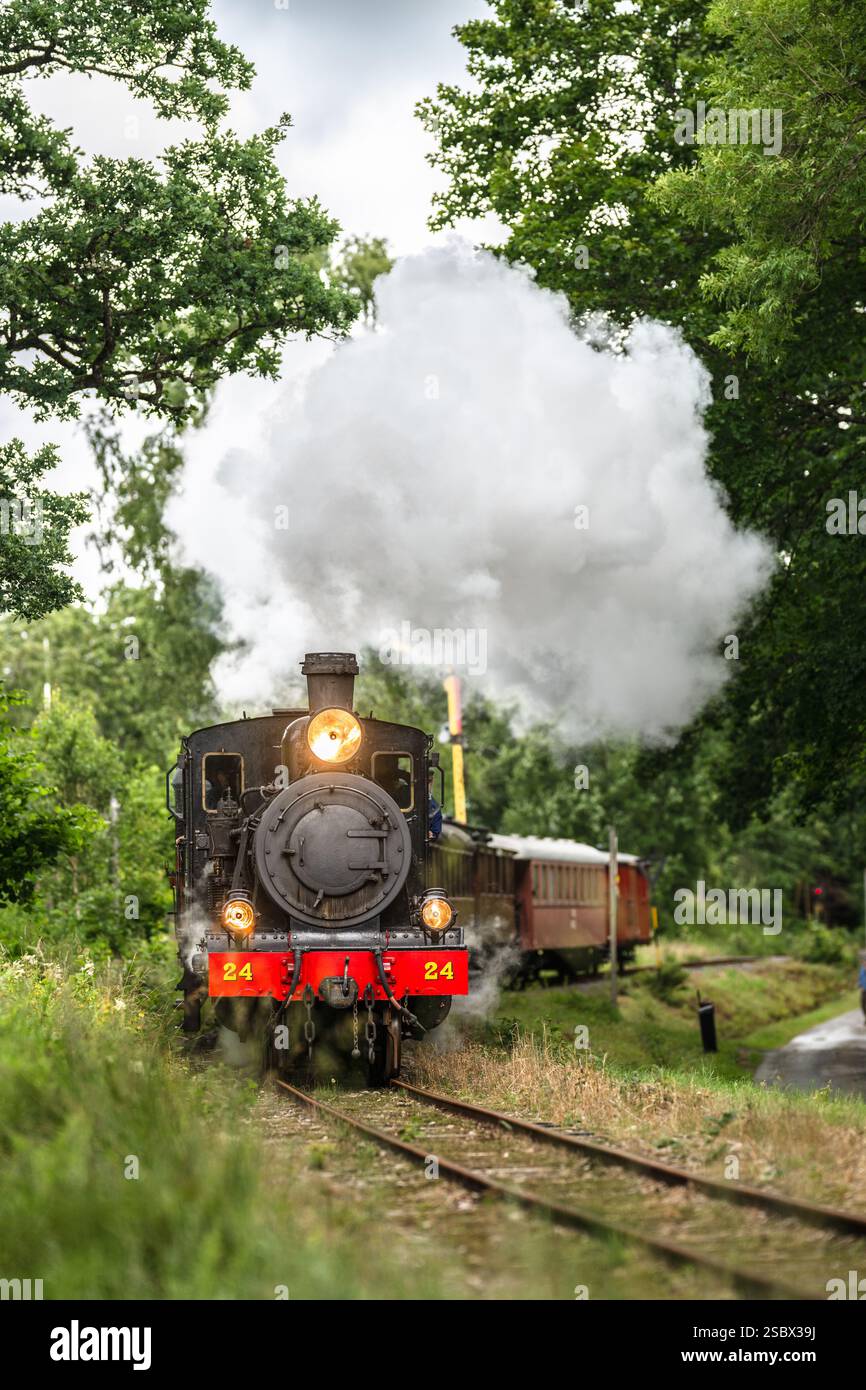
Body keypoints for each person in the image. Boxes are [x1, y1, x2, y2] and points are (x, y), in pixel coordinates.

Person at [427, 769, 442, 840]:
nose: (427, 784)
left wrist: (431, 834)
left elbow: (435, 832)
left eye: (429, 781)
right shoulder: (404, 795)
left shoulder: (435, 808)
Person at [859, 954, 866, 1022]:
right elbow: (860, 978)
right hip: (863, 990)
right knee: (863, 1005)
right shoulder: (861, 969)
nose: (864, 963)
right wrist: (860, 985)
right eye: (863, 962)